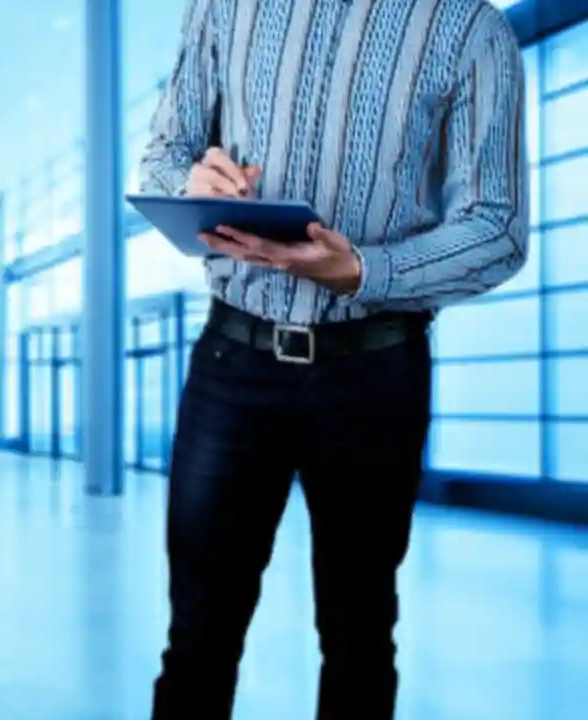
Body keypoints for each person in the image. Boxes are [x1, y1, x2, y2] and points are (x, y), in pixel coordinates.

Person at [138, 0, 528, 718]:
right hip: (235, 359)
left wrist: (366, 272)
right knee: (198, 635)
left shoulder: (471, 29)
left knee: (359, 636)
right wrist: (190, 186)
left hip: (374, 371)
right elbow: (166, 153)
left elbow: (498, 226)